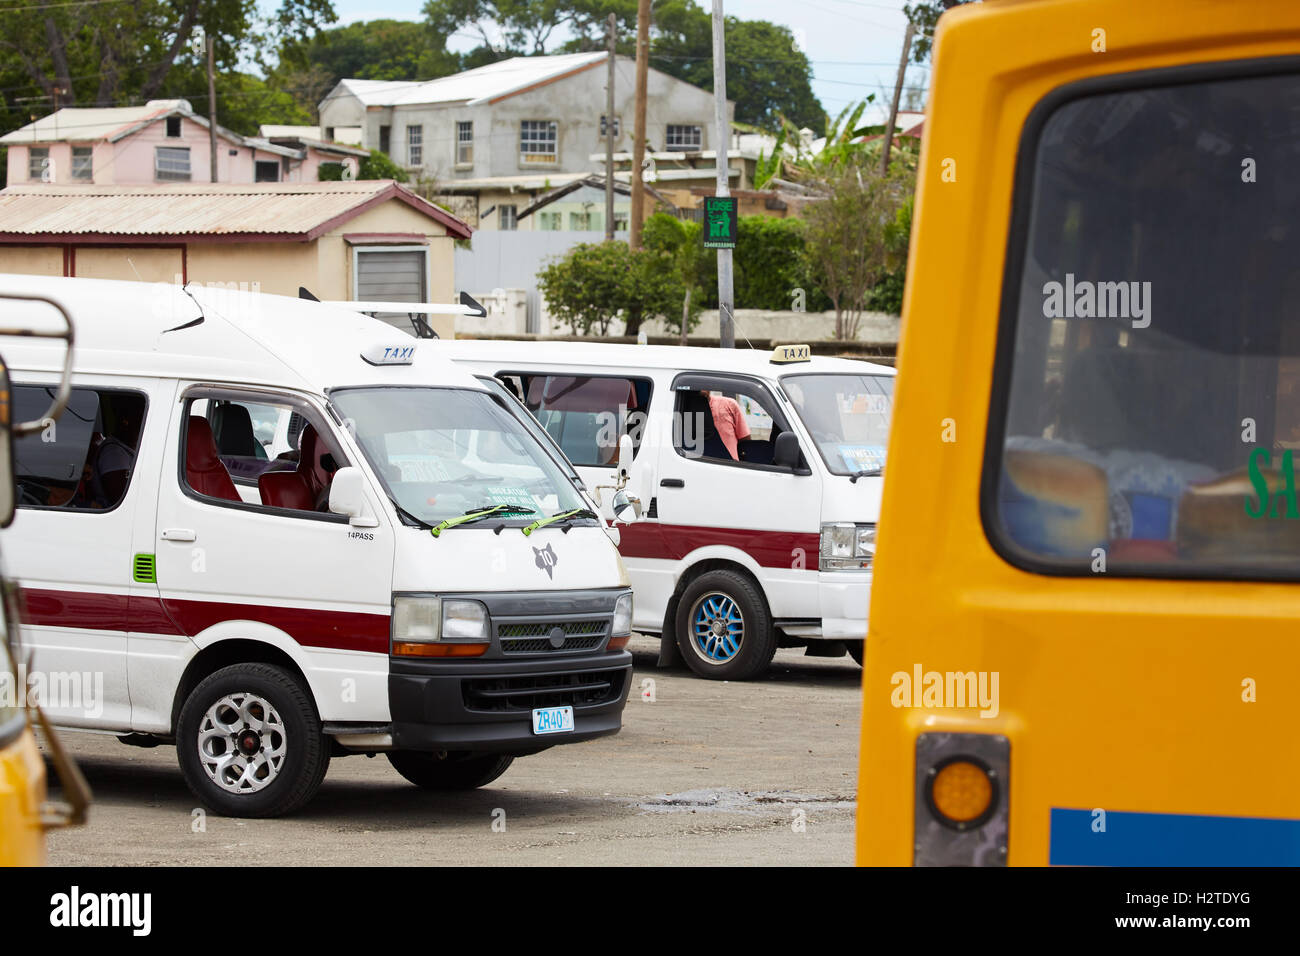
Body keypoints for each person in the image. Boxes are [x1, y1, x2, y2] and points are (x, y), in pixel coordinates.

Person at [705, 391, 750, 461]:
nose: (702, 390)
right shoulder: (686, 409)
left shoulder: (729, 404)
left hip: (730, 464)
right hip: (701, 464)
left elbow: (745, 438)